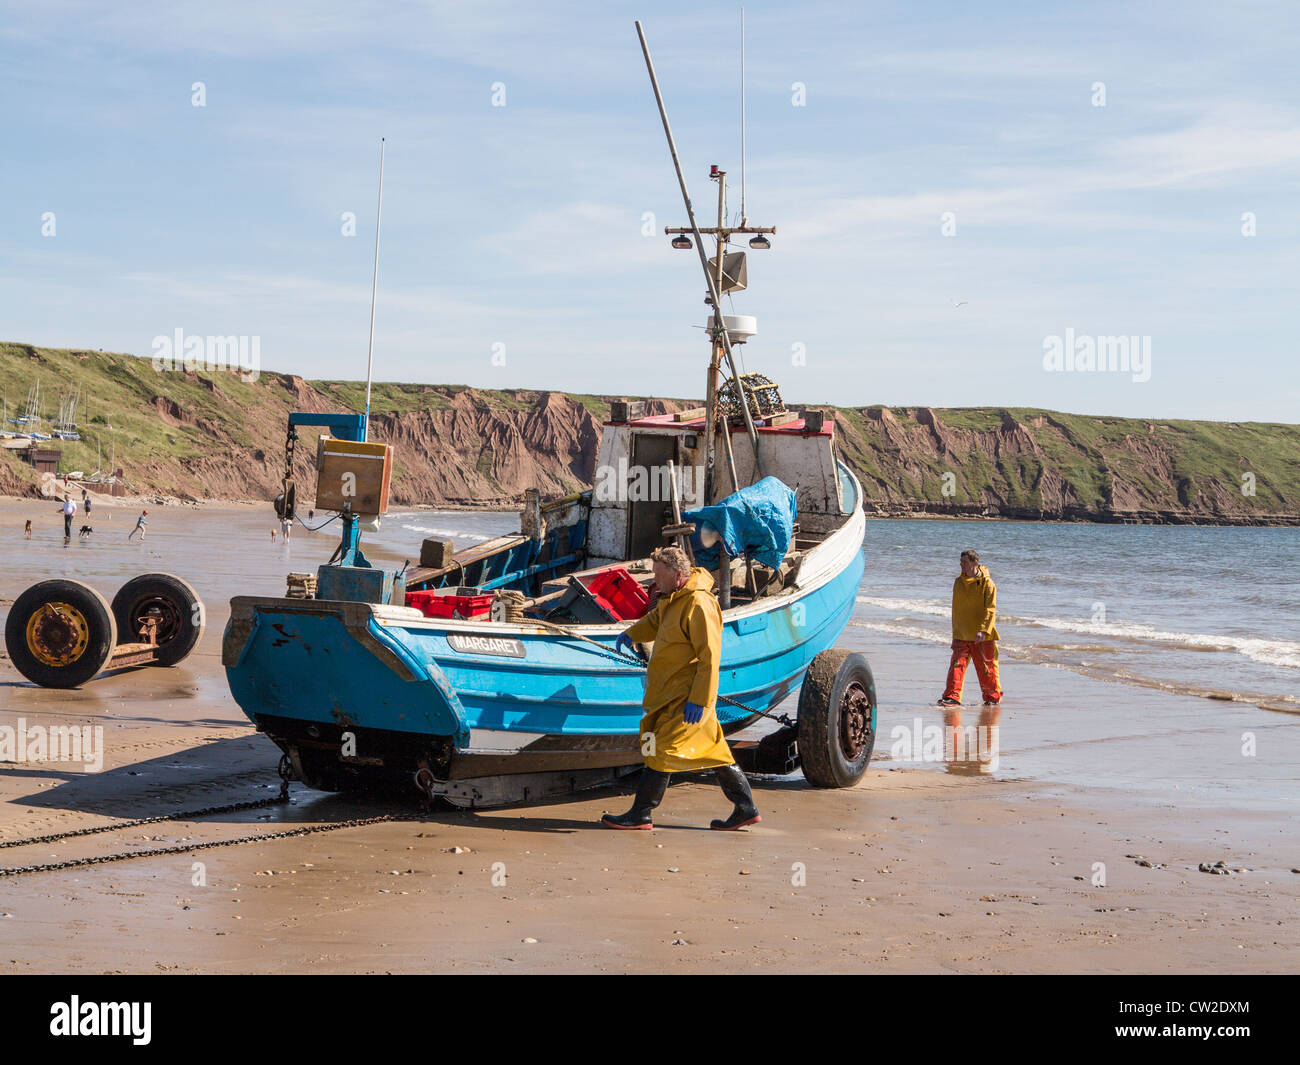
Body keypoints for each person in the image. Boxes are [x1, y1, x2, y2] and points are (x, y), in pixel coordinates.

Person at [601, 545, 761, 831]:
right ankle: (746, 808)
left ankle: (641, 813)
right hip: (669, 693)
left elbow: (709, 657)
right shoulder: (672, 597)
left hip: (685, 697)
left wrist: (699, 700)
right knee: (716, 751)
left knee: (661, 750)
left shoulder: (699, 604)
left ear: (677, 575)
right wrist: (632, 633)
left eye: (659, 575)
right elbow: (657, 621)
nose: (654, 581)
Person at [939, 549, 1003, 707]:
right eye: (961, 562)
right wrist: (956, 630)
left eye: (965, 562)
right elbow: (957, 609)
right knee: (956, 665)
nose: (962, 565)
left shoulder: (988, 584)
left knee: (986, 668)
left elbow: (990, 609)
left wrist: (983, 630)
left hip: (982, 634)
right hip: (962, 632)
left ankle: (992, 698)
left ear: (975, 563)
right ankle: (952, 697)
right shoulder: (958, 582)